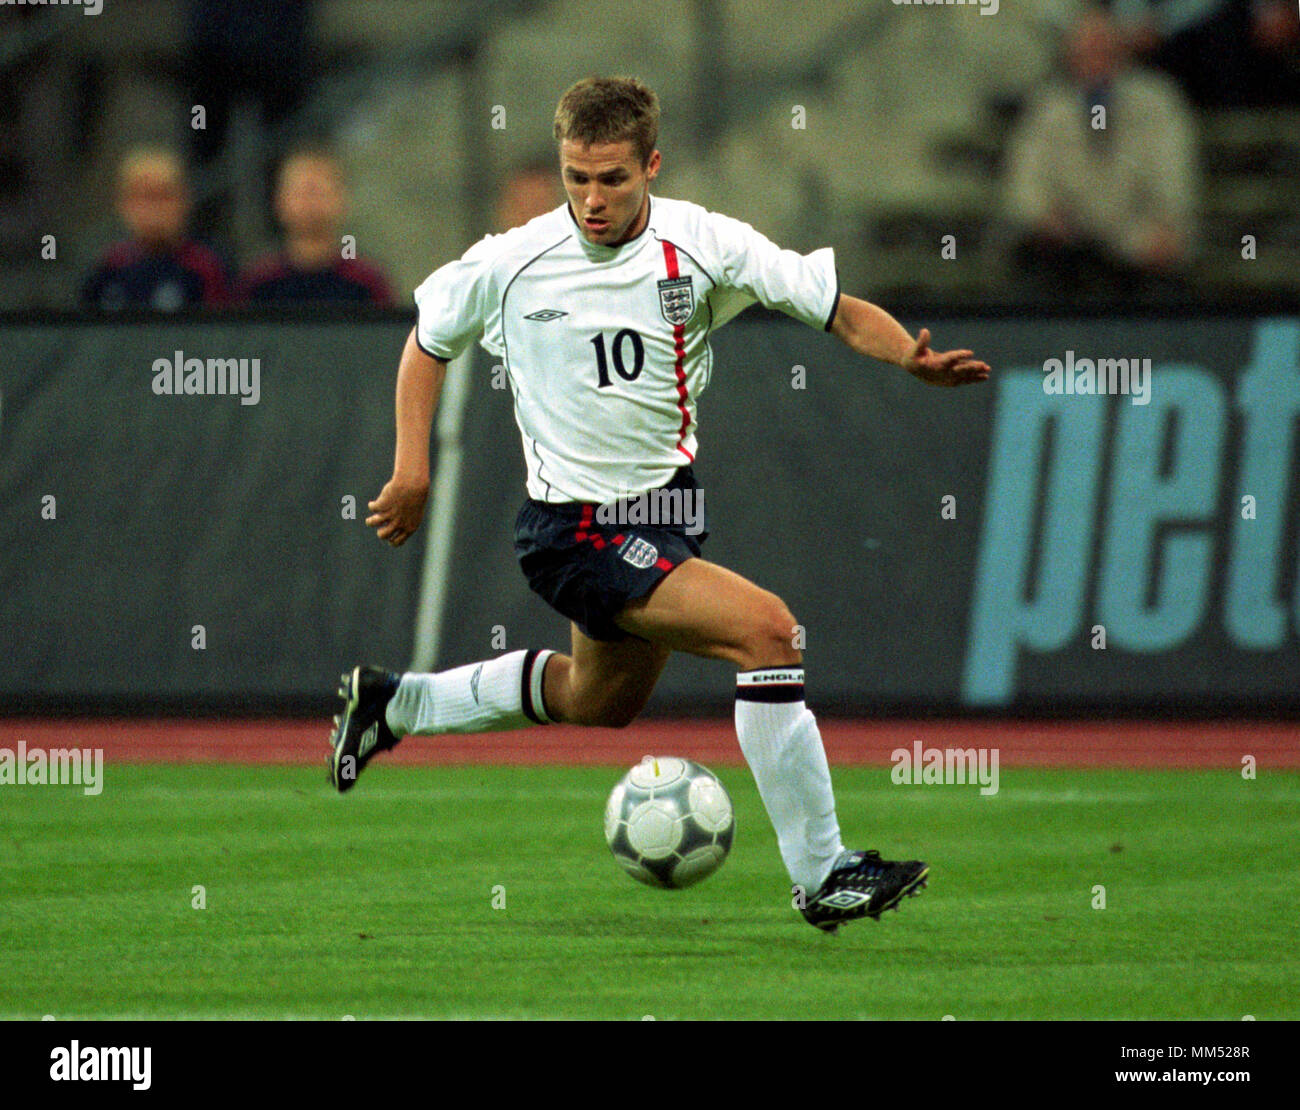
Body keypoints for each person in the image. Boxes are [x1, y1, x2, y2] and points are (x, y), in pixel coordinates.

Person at [328, 77, 989, 933]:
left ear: (652, 166)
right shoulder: (510, 261)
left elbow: (833, 310)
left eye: (612, 179)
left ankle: (393, 703)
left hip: (667, 510)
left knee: (599, 702)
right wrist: (411, 468)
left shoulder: (704, 241)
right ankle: (823, 873)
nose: (591, 200)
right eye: (576, 178)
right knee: (769, 633)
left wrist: (907, 358)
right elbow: (426, 345)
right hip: (574, 528)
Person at [1003, 6, 1197, 301]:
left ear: (1121, 51)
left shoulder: (1157, 102)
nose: (1095, 56)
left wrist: (1164, 229)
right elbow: (1025, 184)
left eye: (1103, 47)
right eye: (1086, 47)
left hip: (1137, 243)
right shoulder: (1047, 107)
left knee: (1165, 279)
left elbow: (1175, 179)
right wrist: (1045, 218)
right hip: (1069, 246)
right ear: (1070, 53)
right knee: (1036, 267)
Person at [235, 146, 393, 306]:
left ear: (342, 201)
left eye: (320, 192)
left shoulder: (366, 281)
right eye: (301, 193)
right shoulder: (258, 282)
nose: (310, 204)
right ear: (279, 200)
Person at [81, 147, 228, 312]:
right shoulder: (108, 269)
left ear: (185, 201)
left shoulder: (206, 269)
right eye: (144, 196)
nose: (154, 208)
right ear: (123, 203)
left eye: (164, 196)